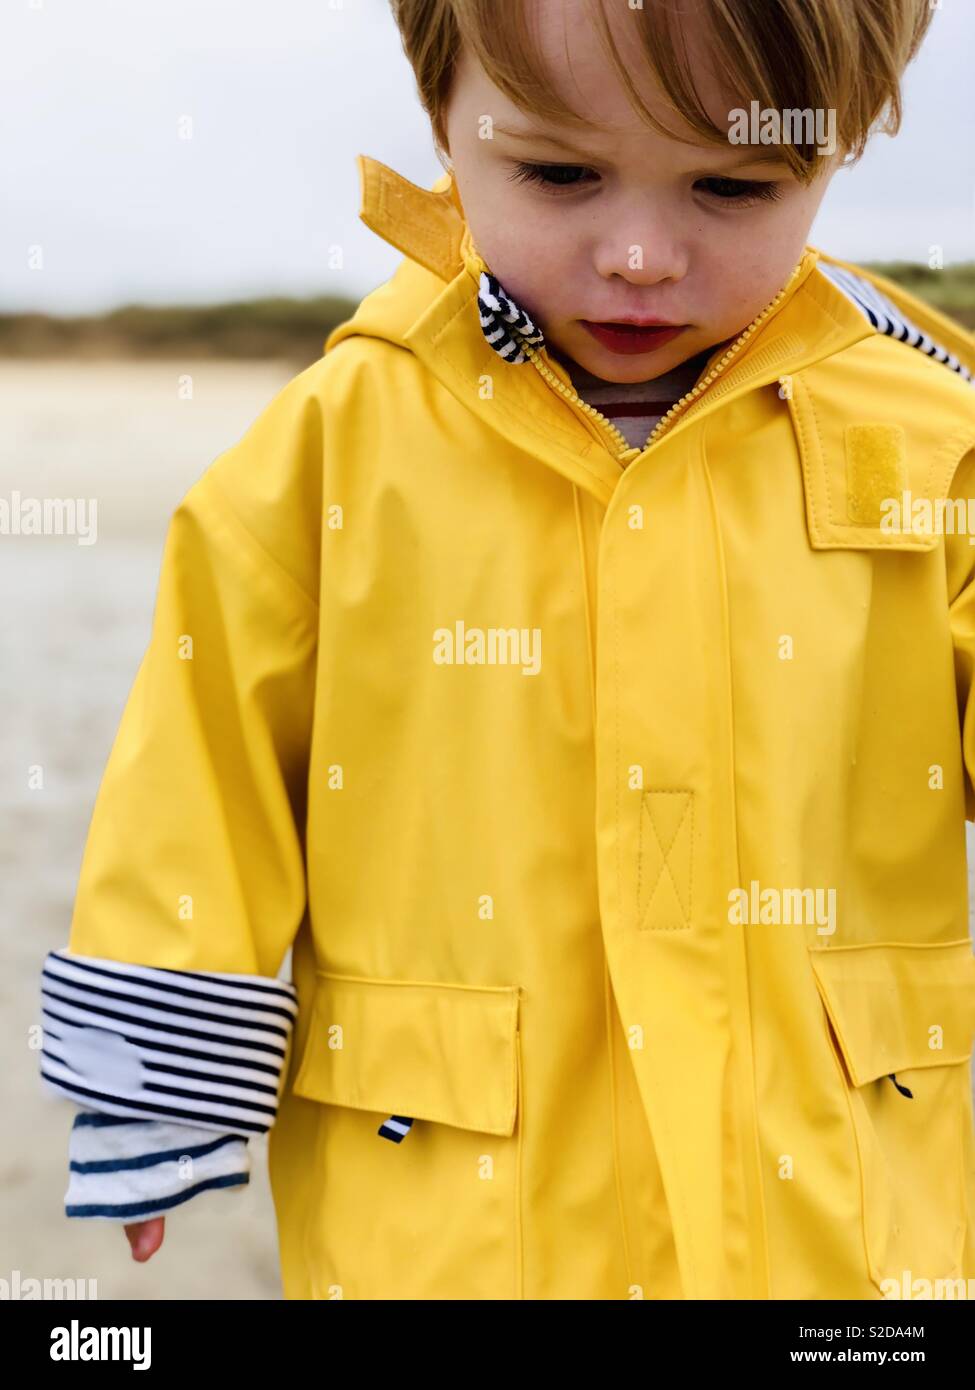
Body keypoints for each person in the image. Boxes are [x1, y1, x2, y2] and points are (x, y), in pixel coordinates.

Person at [39, 0, 975, 1299]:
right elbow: (206, 752)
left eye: (732, 183)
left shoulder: (929, 438)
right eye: (561, 173)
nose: (641, 253)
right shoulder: (340, 445)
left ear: (842, 145)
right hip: (456, 1221)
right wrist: (154, 1081)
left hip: (836, 1227)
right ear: (443, 120)